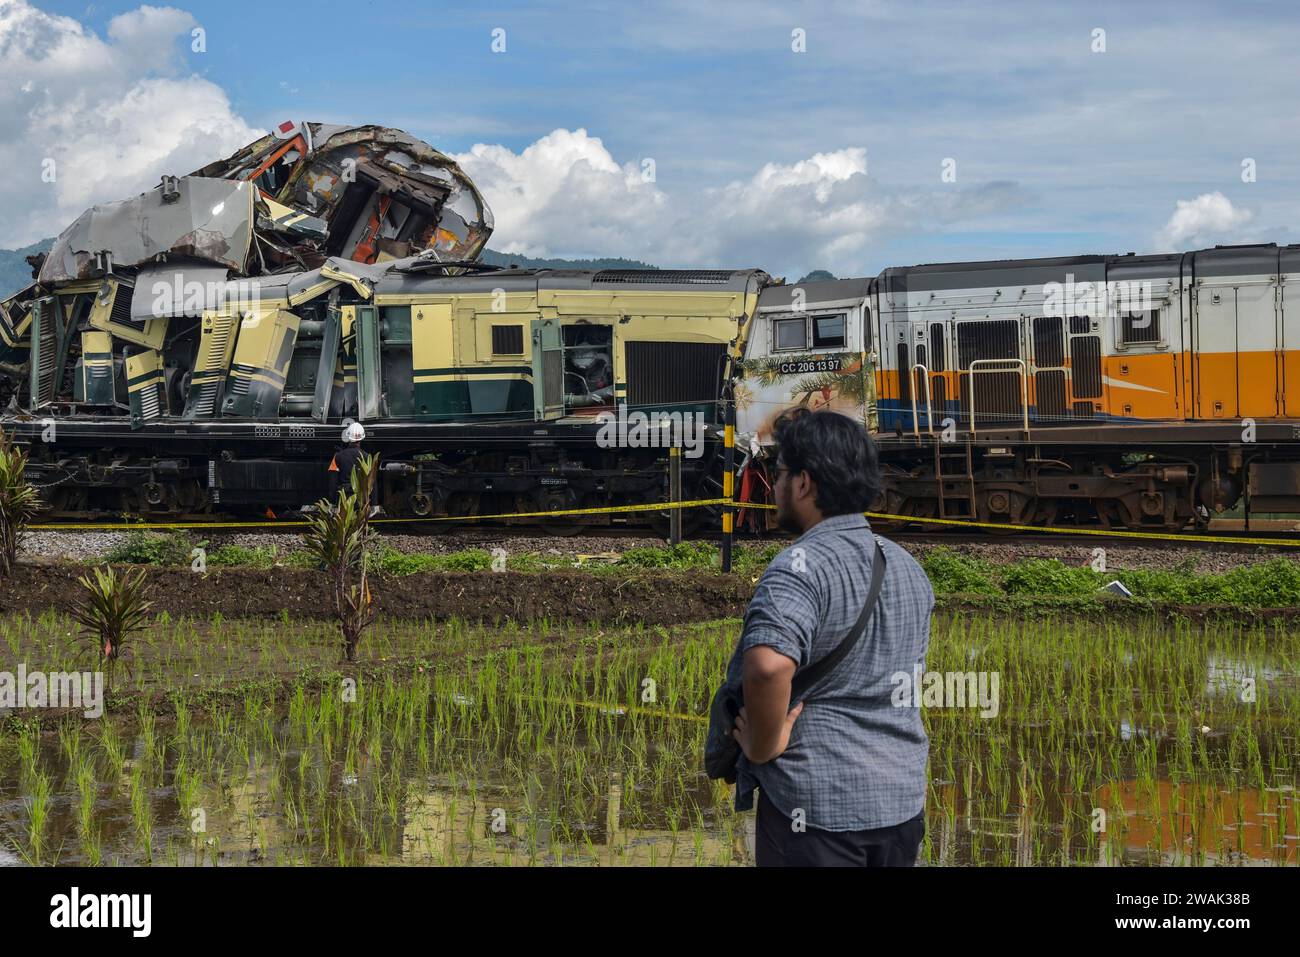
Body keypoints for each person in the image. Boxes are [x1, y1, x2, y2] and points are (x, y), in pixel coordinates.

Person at [727, 406, 934, 867]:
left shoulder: (797, 568)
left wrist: (763, 745)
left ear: (804, 483)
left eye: (779, 473)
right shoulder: (907, 566)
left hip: (818, 813)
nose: (775, 486)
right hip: (900, 805)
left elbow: (768, 665)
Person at [327, 421, 376, 508]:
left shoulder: (338, 456)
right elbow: (372, 483)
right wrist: (374, 504)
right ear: (361, 438)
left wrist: (332, 502)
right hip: (361, 500)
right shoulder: (367, 457)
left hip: (344, 499)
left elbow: (332, 482)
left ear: (348, 437)